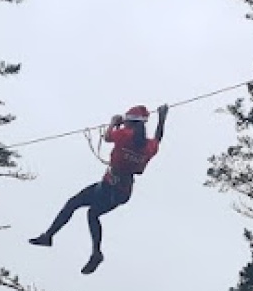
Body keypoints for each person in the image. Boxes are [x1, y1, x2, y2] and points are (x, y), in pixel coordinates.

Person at [30, 103, 168, 274]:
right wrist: (163, 118)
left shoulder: (124, 134)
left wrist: (114, 123)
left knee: (74, 203)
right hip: (123, 192)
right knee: (93, 213)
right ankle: (95, 252)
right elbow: (158, 138)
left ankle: (49, 236)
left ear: (130, 123)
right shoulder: (147, 147)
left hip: (108, 186)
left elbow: (108, 137)